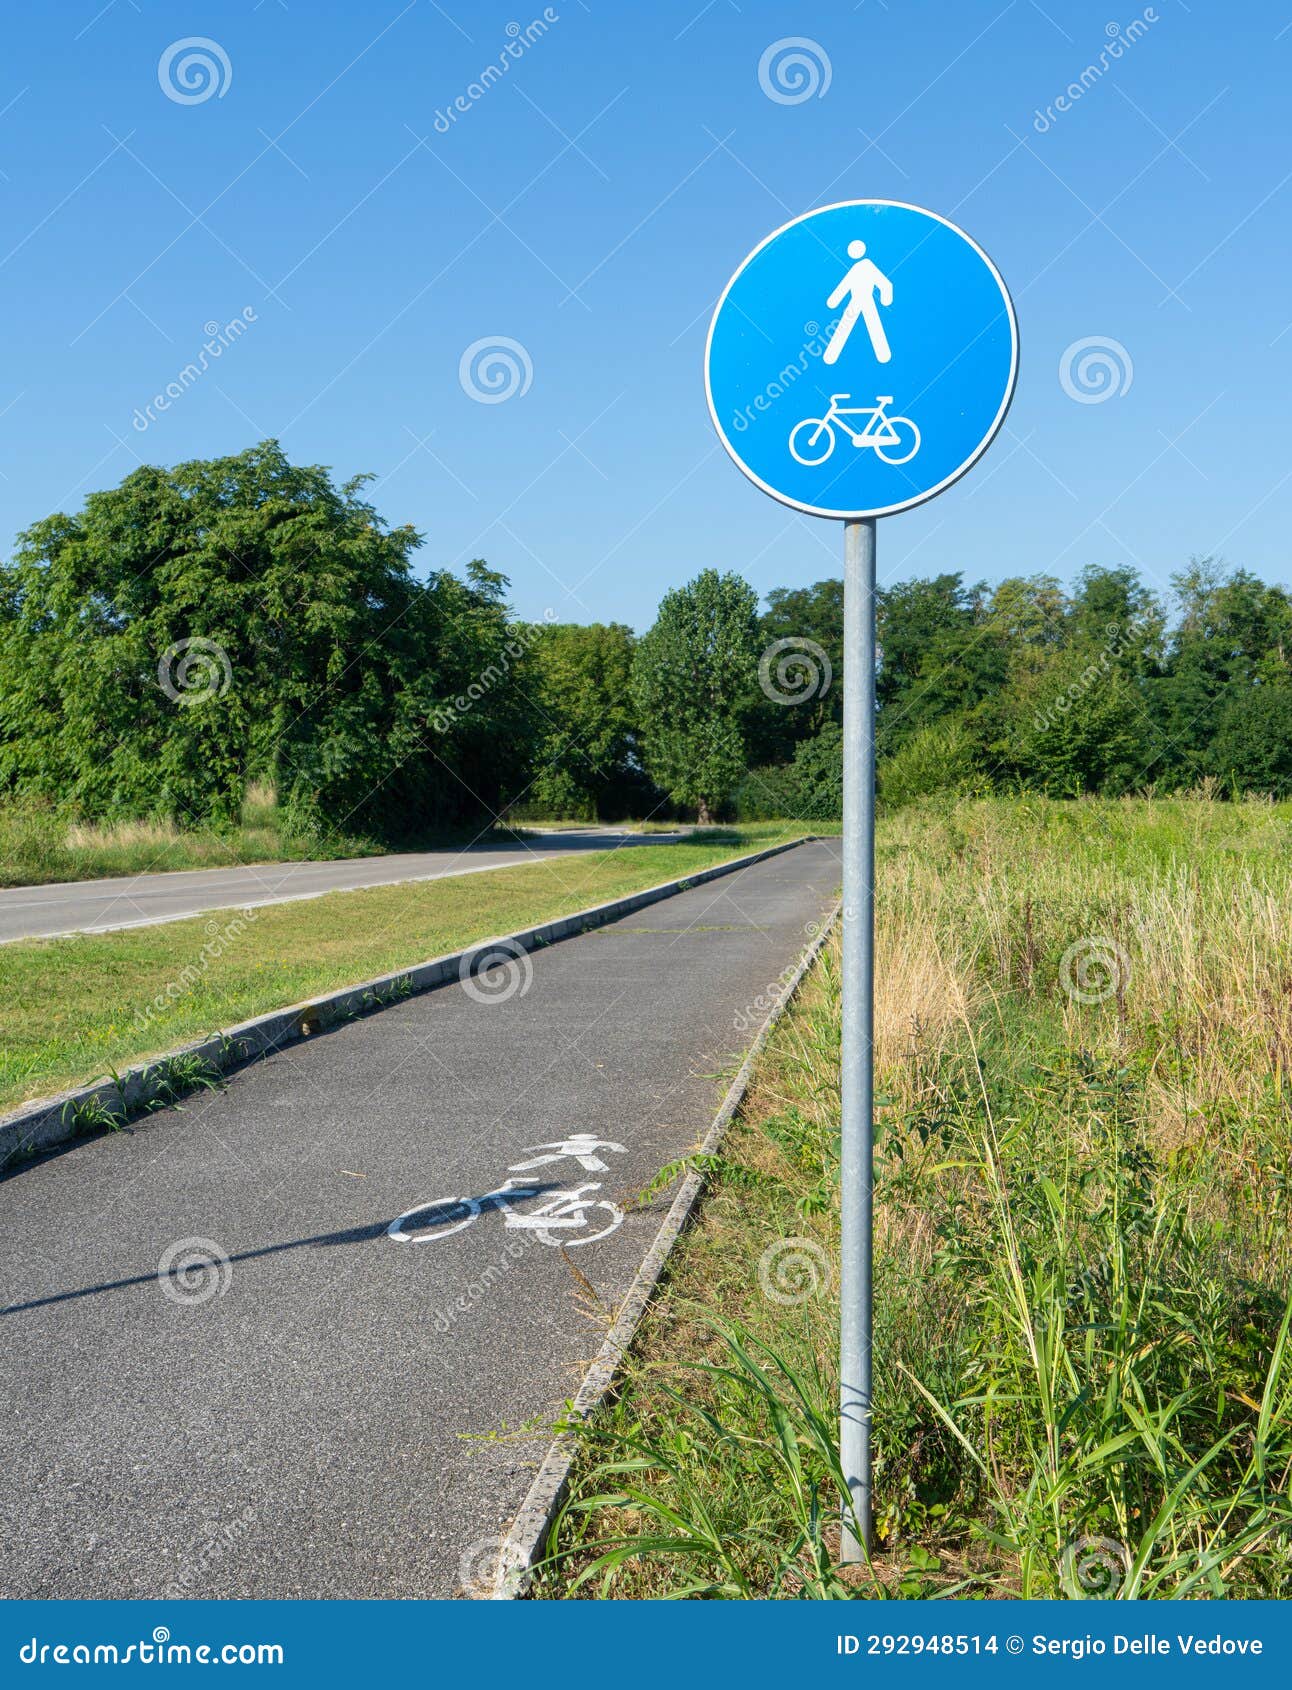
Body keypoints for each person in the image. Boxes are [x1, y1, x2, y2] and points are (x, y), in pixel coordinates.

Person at [824, 240, 893, 365]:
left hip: (866, 300)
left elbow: (885, 284)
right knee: (846, 326)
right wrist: (833, 301)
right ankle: (830, 358)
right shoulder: (857, 268)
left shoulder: (867, 266)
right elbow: (844, 285)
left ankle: (884, 357)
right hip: (855, 302)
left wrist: (886, 299)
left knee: (872, 326)